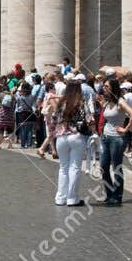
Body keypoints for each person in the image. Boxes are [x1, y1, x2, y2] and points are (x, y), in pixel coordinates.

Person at [47, 78, 90, 206]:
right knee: (75, 167)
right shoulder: (81, 102)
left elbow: (54, 118)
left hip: (61, 136)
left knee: (63, 168)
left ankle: (60, 197)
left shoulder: (61, 102)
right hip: (76, 135)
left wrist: (52, 136)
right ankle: (72, 198)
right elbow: (89, 118)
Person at [98, 80, 132, 206]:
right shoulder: (108, 102)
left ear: (113, 88)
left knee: (116, 167)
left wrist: (125, 129)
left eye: (106, 86)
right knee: (103, 167)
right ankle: (109, 194)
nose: (104, 87)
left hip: (117, 139)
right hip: (106, 137)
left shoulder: (120, 101)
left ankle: (117, 195)